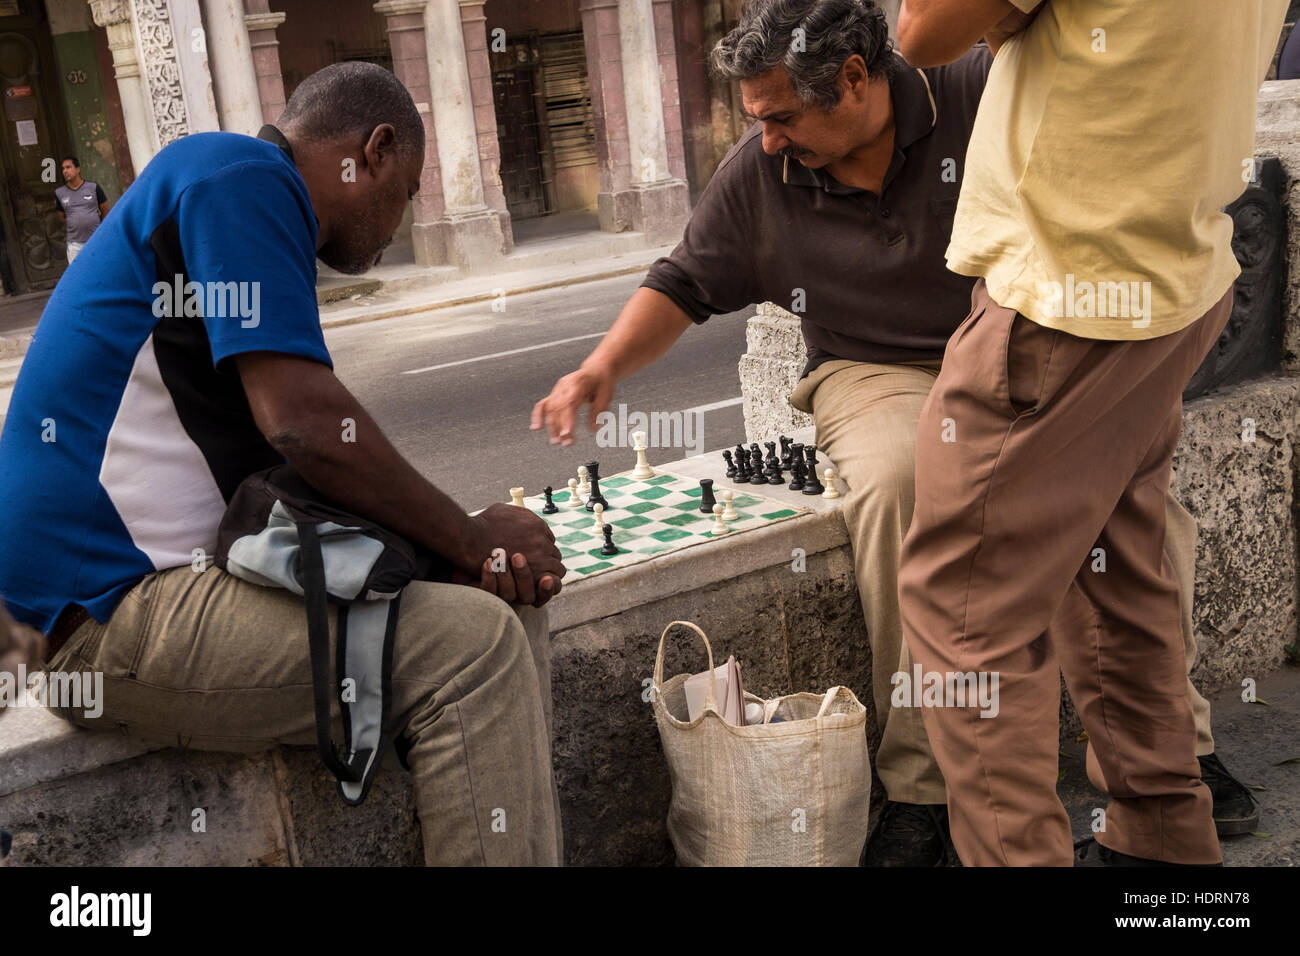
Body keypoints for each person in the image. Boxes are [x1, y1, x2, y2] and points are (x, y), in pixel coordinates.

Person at [531, 0, 1257, 865]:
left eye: (782, 116)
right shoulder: (759, 173)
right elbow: (684, 281)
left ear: (853, 79)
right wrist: (602, 369)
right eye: (755, 119)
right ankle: (924, 790)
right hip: (876, 369)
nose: (766, 139)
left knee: (1107, 536)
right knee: (904, 480)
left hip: (1030, 329)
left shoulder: (973, 83)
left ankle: (1180, 767)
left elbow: (952, 34)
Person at [0, 62, 565, 866]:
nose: (400, 221)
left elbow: (299, 474)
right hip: (100, 618)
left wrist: (465, 547)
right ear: (373, 149)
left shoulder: (241, 200)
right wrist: (471, 540)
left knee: (508, 607)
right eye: (406, 191)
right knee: (473, 651)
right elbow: (304, 425)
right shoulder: (240, 176)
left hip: (148, 596)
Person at [895, 0, 1287, 866]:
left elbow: (923, 33)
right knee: (1119, 570)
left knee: (965, 605)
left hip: (1070, 283)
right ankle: (1163, 850)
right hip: (1172, 265)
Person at [54, 156, 109, 264]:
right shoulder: (59, 193)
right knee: (78, 276)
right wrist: (76, 223)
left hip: (95, 240)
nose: (65, 171)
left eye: (68, 167)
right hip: (74, 244)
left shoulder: (93, 187)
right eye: (63, 168)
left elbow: (105, 209)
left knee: (99, 270)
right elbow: (61, 216)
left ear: (78, 169)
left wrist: (95, 225)